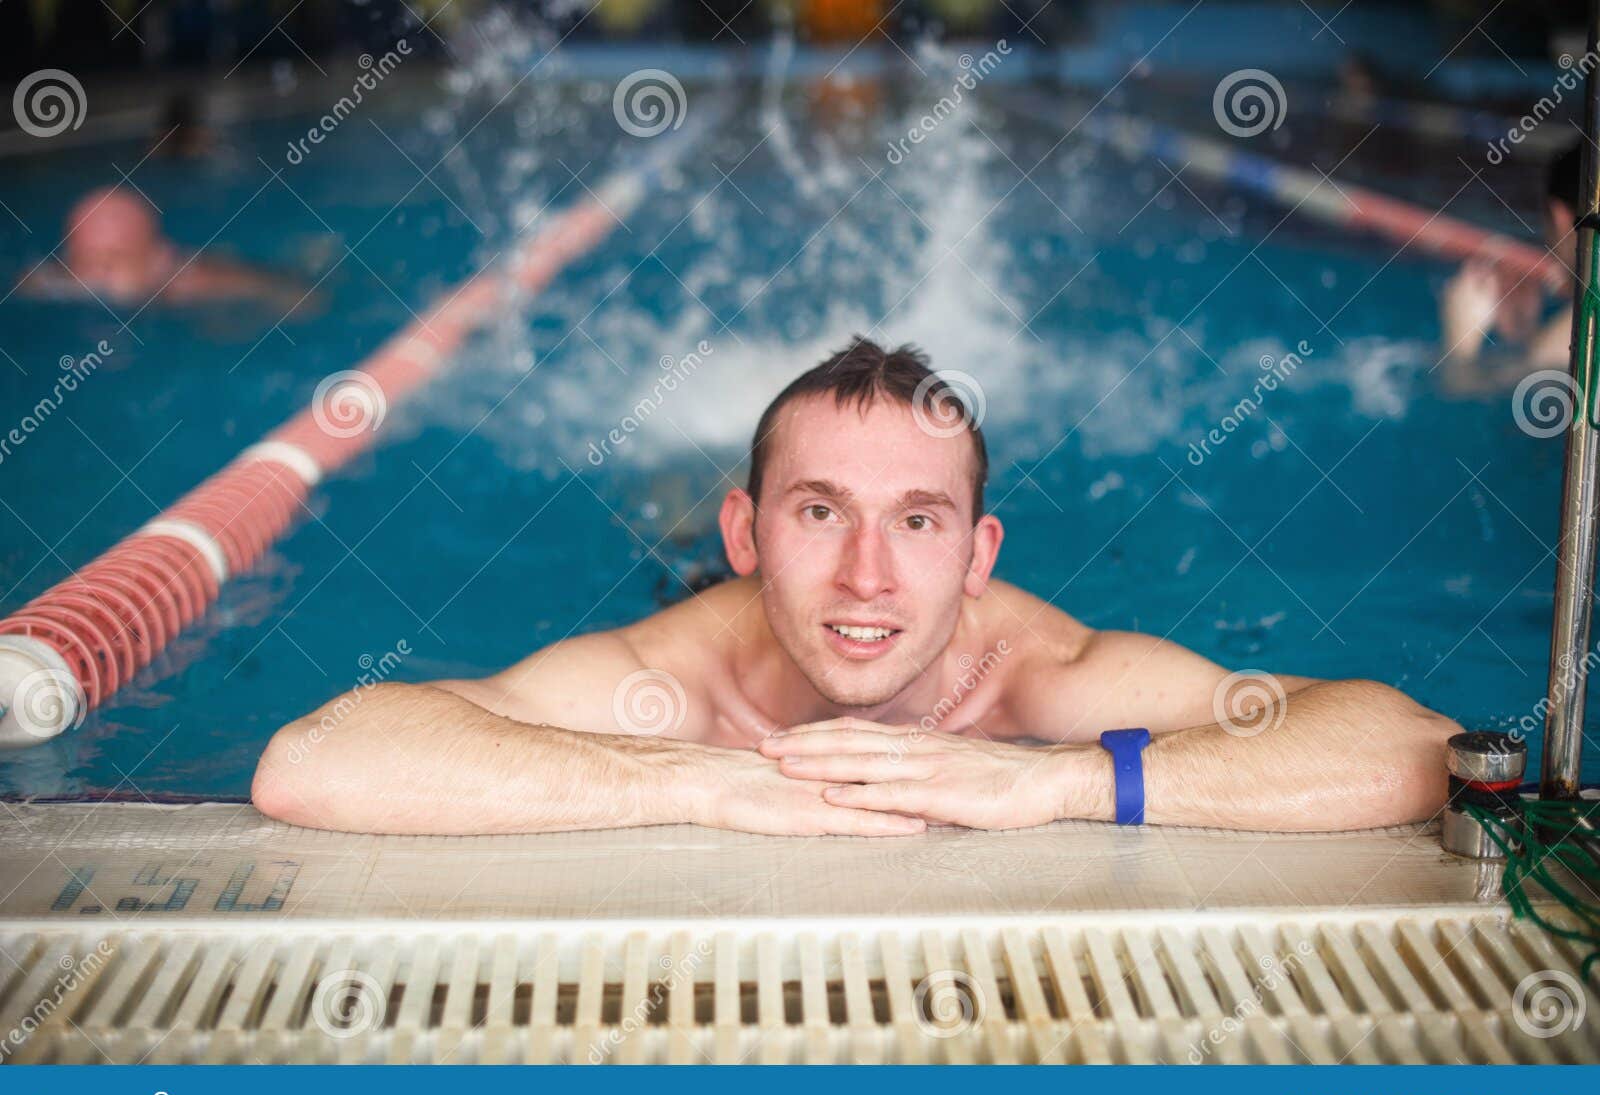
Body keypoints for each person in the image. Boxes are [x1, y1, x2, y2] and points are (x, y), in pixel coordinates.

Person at [252, 338, 1459, 837]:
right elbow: (315, 754)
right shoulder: (669, 686)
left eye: (917, 522)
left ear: (981, 557)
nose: (867, 576)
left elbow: (1418, 743)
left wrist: (1064, 782)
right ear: (751, 533)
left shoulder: (1044, 678)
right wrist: (687, 782)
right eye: (819, 512)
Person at [15, 187, 314, 311]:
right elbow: (32, 281)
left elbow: (301, 298)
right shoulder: (58, 282)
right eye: (83, 262)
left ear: (159, 257)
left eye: (112, 261)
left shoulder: (192, 283)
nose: (96, 277)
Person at [1440, 145, 1578, 376]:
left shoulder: (1568, 343)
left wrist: (1460, 341)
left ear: (1559, 216)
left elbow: (1461, 398)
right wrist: (1526, 336)